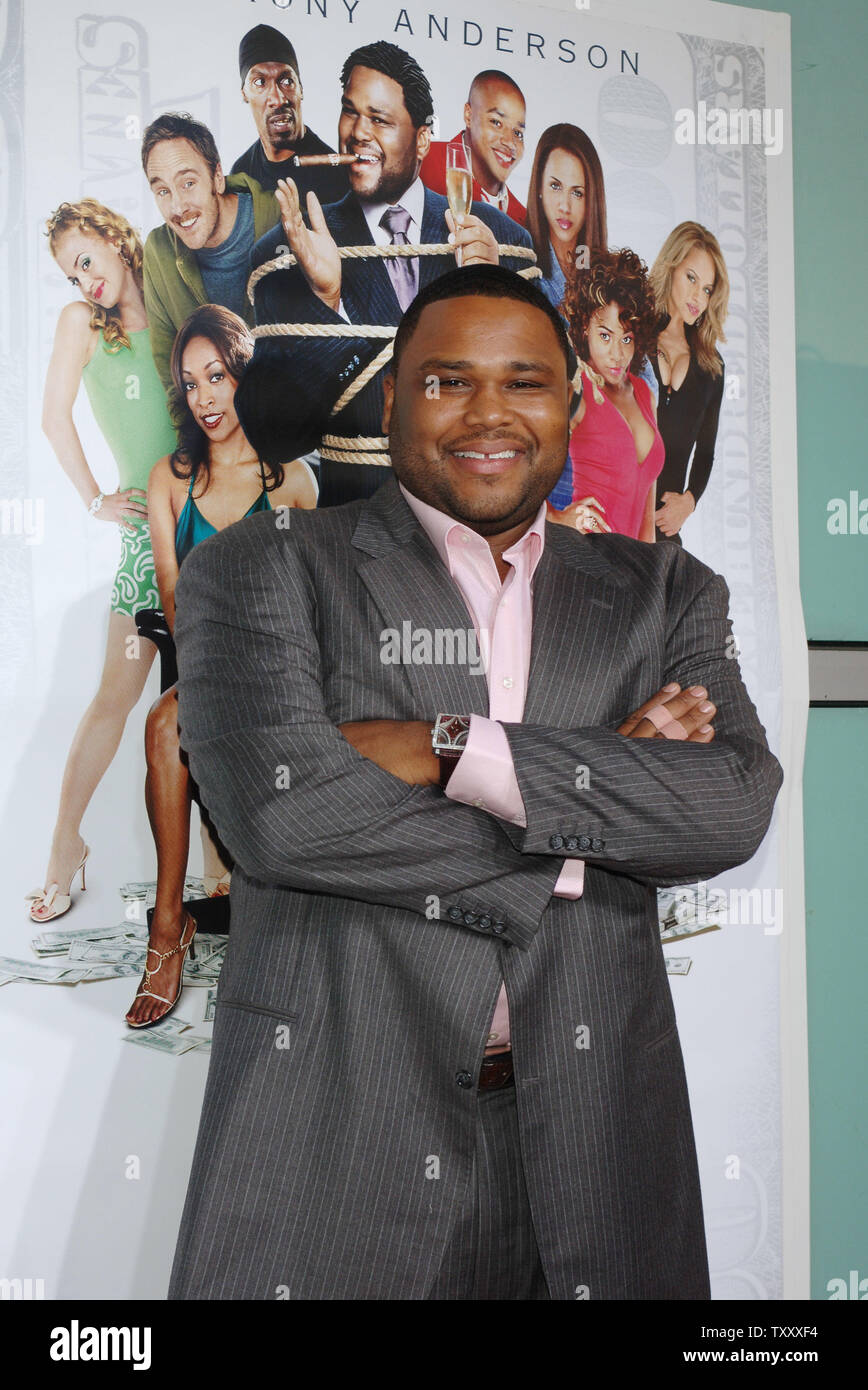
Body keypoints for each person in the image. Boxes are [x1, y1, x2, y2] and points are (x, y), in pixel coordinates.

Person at [167, 264, 782, 1300]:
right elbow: (282, 814)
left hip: (597, 1158)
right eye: (448, 381)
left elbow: (730, 804)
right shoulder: (262, 567)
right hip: (335, 1151)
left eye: (524, 383)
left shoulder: (666, 593)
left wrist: (455, 750)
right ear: (393, 401)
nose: (488, 414)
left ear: (571, 403)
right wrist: (596, 802)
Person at [125, 304, 316, 1028]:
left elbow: (310, 607)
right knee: (162, 721)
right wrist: (209, 675)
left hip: (281, 675)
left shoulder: (292, 482)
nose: (205, 397)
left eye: (217, 377)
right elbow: (172, 597)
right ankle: (167, 928)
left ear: (243, 376)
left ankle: (269, 918)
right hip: (207, 664)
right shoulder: (170, 480)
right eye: (191, 383)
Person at [238, 40, 534, 509]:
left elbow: (562, 400)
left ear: (422, 140)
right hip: (355, 534)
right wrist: (328, 301)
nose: (358, 133)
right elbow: (275, 434)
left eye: (379, 119)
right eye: (350, 112)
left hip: (476, 528)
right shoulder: (289, 249)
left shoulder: (502, 239)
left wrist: (497, 301)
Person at [25, 200, 177, 925]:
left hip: (205, 520)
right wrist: (96, 500)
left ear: (115, 238)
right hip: (147, 535)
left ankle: (216, 870)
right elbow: (52, 419)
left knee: (203, 700)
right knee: (115, 697)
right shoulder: (83, 323)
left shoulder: (174, 301)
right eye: (70, 273)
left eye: (86, 259)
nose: (83, 280)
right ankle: (65, 847)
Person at [141, 111, 280, 418]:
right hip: (217, 435)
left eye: (188, 183)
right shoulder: (159, 252)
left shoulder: (281, 216)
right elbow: (172, 378)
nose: (178, 206)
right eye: (163, 191)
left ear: (217, 177)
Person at [549, 248, 664, 541]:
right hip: (584, 558)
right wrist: (557, 517)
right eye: (605, 336)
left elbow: (647, 522)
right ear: (584, 328)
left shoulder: (644, 394)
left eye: (626, 338)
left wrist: (651, 567)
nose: (617, 354)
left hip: (631, 566)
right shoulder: (575, 389)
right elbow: (516, 472)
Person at [649, 222, 730, 545]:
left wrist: (689, 500)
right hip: (615, 517)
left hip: (663, 533)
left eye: (707, 289)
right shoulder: (632, 335)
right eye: (691, 278)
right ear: (670, 267)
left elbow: (706, 452)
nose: (698, 296)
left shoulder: (711, 368)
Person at [229, 23, 349, 203]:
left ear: (300, 89)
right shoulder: (242, 173)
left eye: (286, 81)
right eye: (260, 82)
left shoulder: (333, 177)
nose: (277, 99)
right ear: (244, 94)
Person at [420, 70, 527, 223]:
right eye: (496, 122)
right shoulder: (421, 164)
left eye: (518, 133)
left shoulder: (523, 219)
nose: (510, 142)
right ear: (468, 116)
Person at [525, 122, 608, 312]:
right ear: (539, 187)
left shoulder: (605, 273)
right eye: (555, 186)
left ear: (592, 200)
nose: (565, 206)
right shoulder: (521, 266)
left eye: (577, 193)